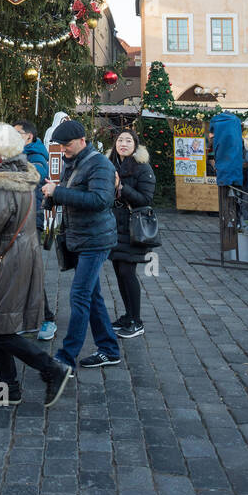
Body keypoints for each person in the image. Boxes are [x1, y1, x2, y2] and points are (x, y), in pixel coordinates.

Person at [0, 122, 71, 409]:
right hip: (16, 258)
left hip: (3, 262)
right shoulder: (17, 174)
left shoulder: (1, 186)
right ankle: (7, 386)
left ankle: (50, 369)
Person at [41, 118, 119, 371]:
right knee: (92, 296)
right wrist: (52, 197)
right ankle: (109, 349)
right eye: (61, 146)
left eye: (68, 144)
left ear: (83, 140)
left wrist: (58, 193)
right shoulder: (72, 163)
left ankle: (66, 357)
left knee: (79, 295)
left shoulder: (100, 164)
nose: (64, 149)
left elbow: (100, 200)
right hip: (81, 237)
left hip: (96, 239)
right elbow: (71, 192)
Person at [108, 130, 156, 339]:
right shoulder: (110, 165)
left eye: (128, 140)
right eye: (120, 140)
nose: (123, 144)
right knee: (119, 273)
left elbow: (145, 199)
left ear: (135, 146)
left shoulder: (142, 168)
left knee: (128, 273)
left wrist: (121, 186)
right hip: (113, 227)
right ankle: (128, 316)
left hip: (133, 228)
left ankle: (137, 321)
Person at [13, 118, 57, 341]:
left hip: (30, 220)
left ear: (28, 136)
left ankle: (47, 319)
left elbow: (34, 178)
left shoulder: (36, 155)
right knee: (21, 271)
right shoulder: (17, 154)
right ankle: (29, 319)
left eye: (16, 133)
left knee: (31, 271)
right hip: (15, 219)